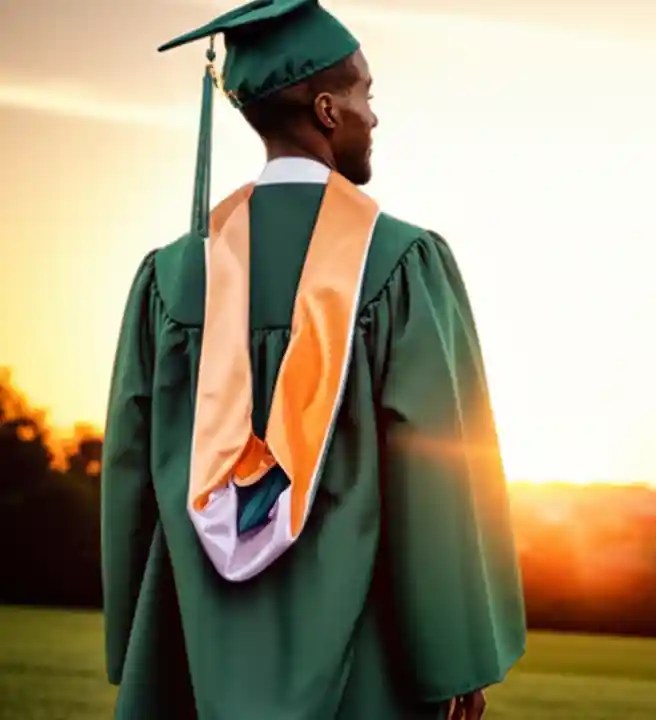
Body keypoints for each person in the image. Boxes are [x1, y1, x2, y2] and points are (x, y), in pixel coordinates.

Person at [99, 1, 526, 717]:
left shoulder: (171, 280)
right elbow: (440, 470)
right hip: (365, 666)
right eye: (364, 93)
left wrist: (141, 644)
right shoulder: (402, 265)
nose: (373, 115)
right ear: (327, 110)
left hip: (193, 658)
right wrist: (455, 656)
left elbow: (129, 474)